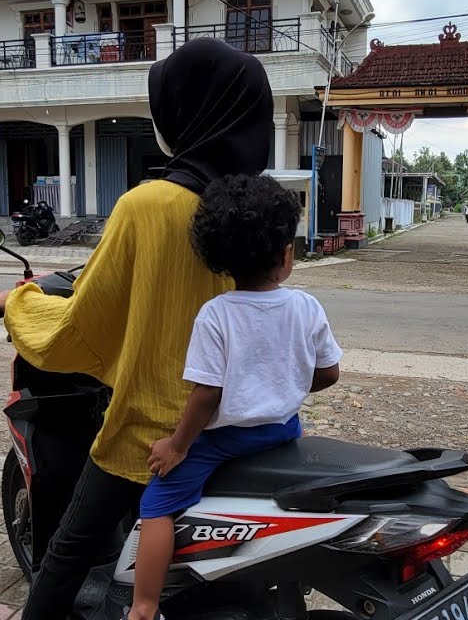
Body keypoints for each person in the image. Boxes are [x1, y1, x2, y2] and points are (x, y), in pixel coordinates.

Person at [0, 38, 275, 619]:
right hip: (254, 425)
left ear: (186, 112)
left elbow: (85, 324)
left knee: (67, 550)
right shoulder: (261, 208)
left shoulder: (149, 204)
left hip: (156, 428)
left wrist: (18, 303)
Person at [128, 174, 342, 620]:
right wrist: (287, 387)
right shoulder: (307, 306)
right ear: (286, 256)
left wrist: (176, 445)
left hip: (225, 440)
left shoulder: (217, 313)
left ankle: (144, 607)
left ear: (219, 258)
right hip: (284, 432)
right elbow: (328, 373)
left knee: (156, 503)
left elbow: (207, 394)